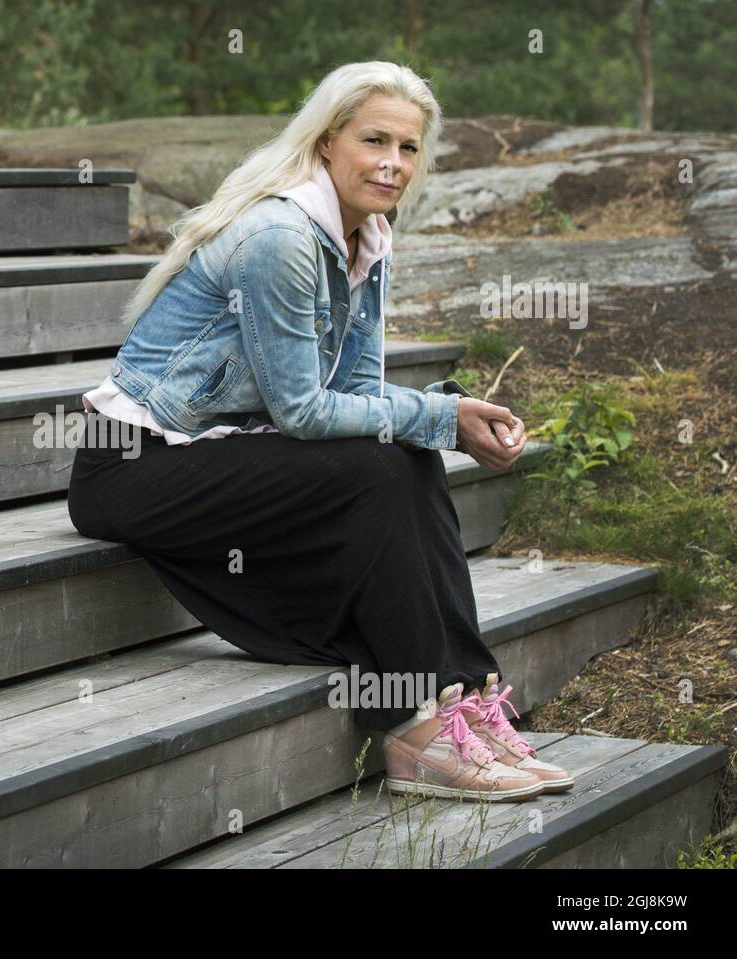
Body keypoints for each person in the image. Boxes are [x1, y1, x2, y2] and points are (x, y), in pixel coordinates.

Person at [66, 61, 572, 802]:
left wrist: (431, 421)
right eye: (375, 141)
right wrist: (439, 416)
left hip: (221, 453)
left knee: (400, 453)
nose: (393, 164)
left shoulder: (369, 231)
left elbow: (357, 396)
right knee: (389, 457)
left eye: (408, 147)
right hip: (130, 466)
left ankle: (464, 695)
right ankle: (413, 729)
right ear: (327, 141)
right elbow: (304, 411)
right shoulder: (280, 235)